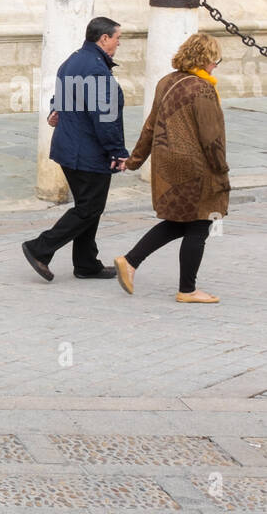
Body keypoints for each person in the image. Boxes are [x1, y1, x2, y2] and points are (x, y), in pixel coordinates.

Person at [115, 33, 229, 304]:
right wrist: (221, 173)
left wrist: (134, 161)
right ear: (205, 59)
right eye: (216, 61)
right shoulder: (202, 88)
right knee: (200, 223)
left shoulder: (166, 81)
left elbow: (151, 125)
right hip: (195, 167)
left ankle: (129, 262)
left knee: (180, 222)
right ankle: (187, 290)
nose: (215, 66)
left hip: (167, 165)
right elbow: (211, 137)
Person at [22, 16, 128, 282]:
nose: (119, 43)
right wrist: (117, 151)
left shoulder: (73, 60)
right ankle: (39, 248)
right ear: (104, 38)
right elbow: (105, 116)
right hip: (87, 152)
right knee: (88, 209)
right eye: (117, 38)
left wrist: (55, 109)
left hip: (69, 147)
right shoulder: (95, 68)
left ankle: (86, 263)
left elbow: (61, 94)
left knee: (87, 206)